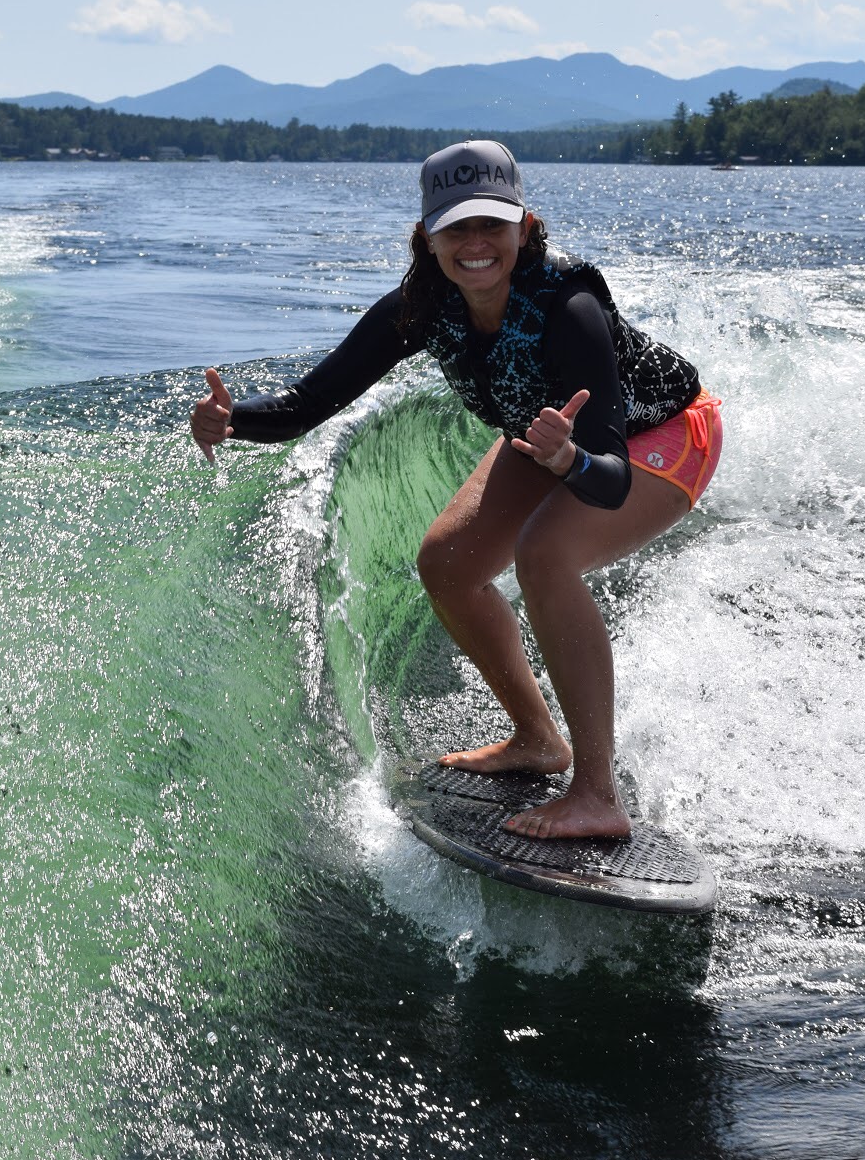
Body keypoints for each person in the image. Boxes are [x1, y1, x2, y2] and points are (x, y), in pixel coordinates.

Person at [190, 140, 721, 840]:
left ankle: (597, 793)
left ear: (524, 228)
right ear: (427, 238)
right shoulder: (420, 307)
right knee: (448, 564)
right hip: (550, 435)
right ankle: (537, 737)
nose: (476, 244)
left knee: (545, 555)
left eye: (492, 226)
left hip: (664, 434)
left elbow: (612, 477)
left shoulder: (570, 303)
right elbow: (307, 404)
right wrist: (233, 420)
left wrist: (568, 463)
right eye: (456, 228)